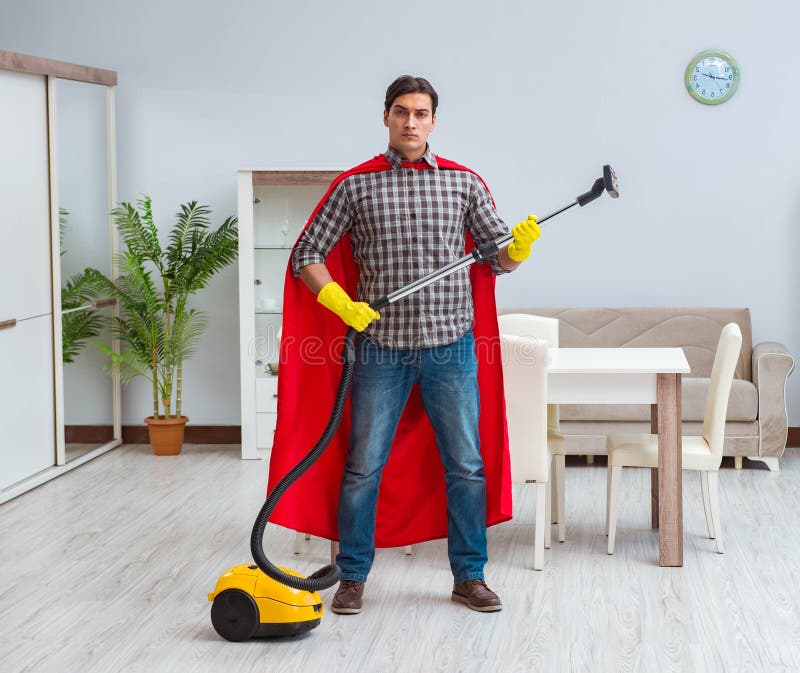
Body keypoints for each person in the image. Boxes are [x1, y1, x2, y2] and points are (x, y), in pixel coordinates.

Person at [283, 75, 540, 615]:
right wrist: (339, 302)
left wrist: (517, 249)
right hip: (379, 348)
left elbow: (496, 259)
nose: (411, 122)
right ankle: (352, 575)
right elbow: (307, 251)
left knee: (466, 465)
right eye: (401, 112)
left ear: (433, 121)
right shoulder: (356, 186)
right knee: (363, 466)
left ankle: (469, 576)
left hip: (451, 347)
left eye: (421, 113)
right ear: (386, 117)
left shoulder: (464, 184)